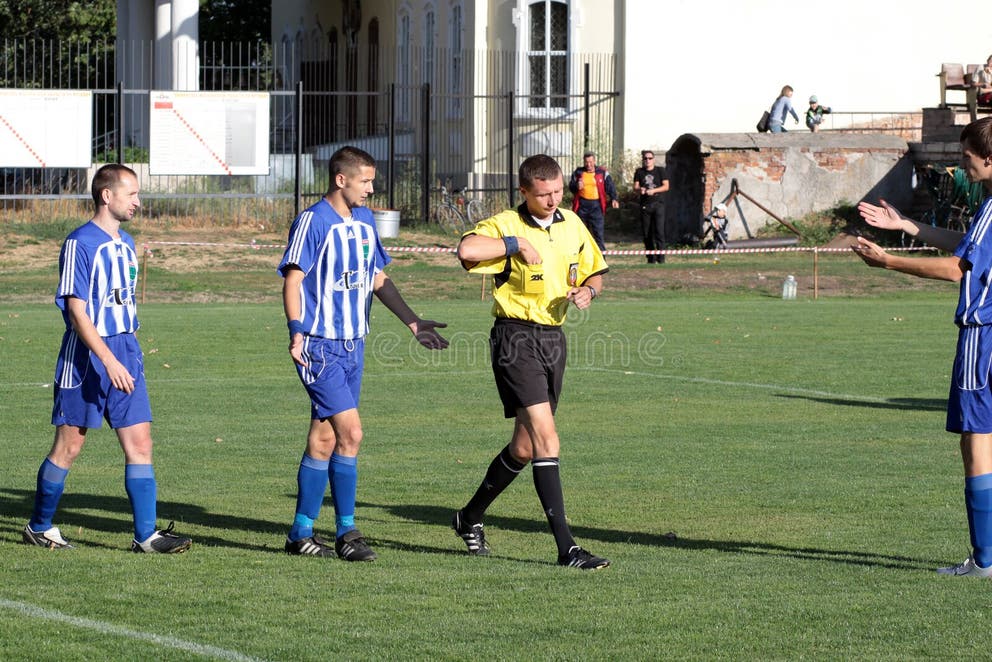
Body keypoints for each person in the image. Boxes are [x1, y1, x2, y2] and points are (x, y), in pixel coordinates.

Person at [279, 146, 449, 560]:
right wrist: (296, 332)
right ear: (342, 180)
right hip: (320, 346)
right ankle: (347, 532)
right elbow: (293, 280)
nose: (372, 190)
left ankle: (300, 533)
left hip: (355, 346)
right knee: (351, 434)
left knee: (323, 439)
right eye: (366, 181)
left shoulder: (366, 221)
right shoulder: (312, 221)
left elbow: (376, 278)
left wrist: (413, 322)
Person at [451, 154, 611, 570]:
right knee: (547, 437)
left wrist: (588, 293)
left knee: (525, 447)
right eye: (543, 194)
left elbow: (596, 273)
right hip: (515, 336)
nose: (553, 200)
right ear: (524, 191)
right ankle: (567, 549)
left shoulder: (571, 222)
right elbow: (466, 249)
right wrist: (515, 244)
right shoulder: (507, 223)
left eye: (558, 191)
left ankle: (468, 518)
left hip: (554, 340)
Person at [22, 164, 192, 553]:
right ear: (106, 195)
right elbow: (77, 311)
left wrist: (128, 350)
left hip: (125, 352)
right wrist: (108, 360)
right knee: (70, 446)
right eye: (131, 193)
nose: (138, 201)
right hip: (85, 358)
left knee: (141, 443)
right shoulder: (80, 243)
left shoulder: (127, 243)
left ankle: (146, 536)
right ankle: (39, 526)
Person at [852, 116, 992, 577]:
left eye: (967, 156)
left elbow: (959, 268)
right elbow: (969, 246)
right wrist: (909, 227)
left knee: (977, 441)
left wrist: (888, 261)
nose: (961, 163)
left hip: (983, 334)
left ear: (989, 158)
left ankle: (985, 560)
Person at [567, 150, 619, 251]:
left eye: (591, 162)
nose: (589, 164)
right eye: (586, 162)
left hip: (596, 207)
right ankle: (583, 260)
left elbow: (610, 185)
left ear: (594, 161)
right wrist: (576, 186)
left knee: (598, 235)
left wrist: (614, 198)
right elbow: (571, 187)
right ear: (584, 162)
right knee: (581, 235)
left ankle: (602, 262)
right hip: (582, 206)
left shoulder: (602, 172)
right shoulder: (578, 172)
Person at [633, 150, 670, 264]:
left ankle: (661, 258)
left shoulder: (660, 170)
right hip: (645, 205)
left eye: (650, 158)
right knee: (647, 233)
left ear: (653, 159)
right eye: (645, 158)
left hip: (658, 204)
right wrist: (641, 190)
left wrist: (653, 191)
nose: (647, 160)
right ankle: (651, 258)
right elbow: (635, 187)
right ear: (643, 160)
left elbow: (666, 186)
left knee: (659, 231)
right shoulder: (639, 172)